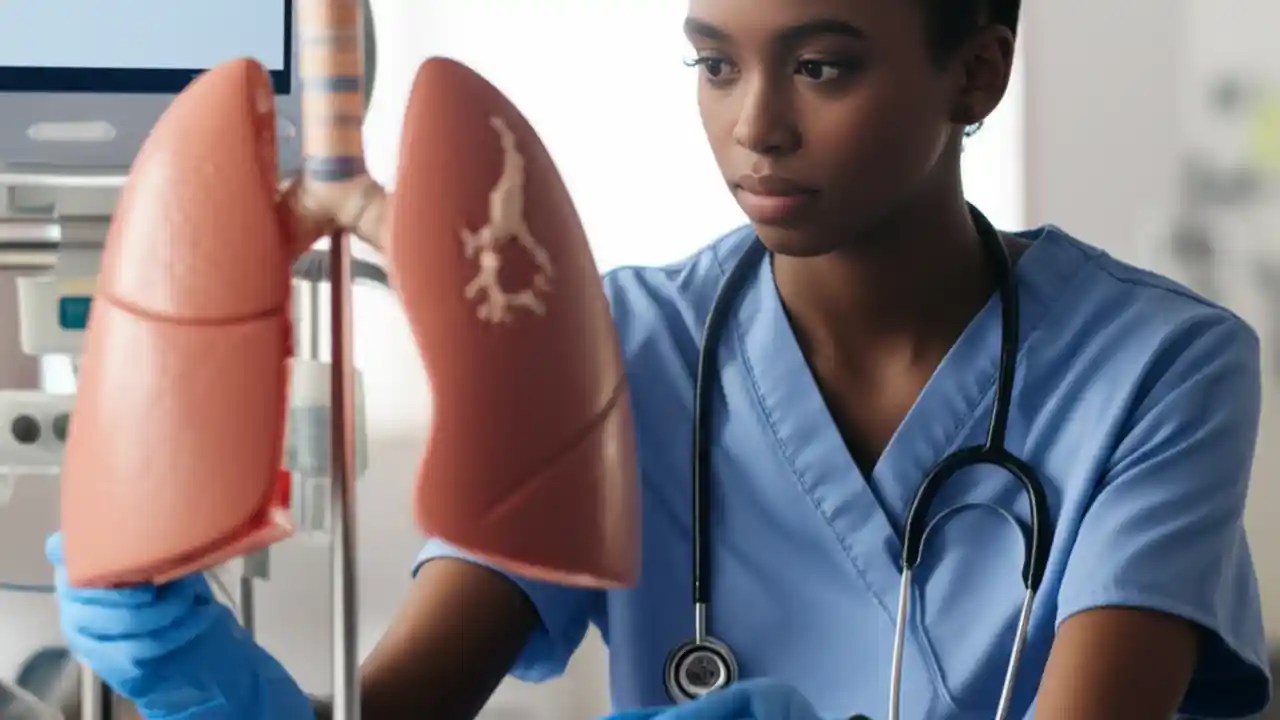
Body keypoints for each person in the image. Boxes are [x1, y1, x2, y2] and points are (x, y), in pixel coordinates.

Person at [48, 0, 1274, 718]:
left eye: (821, 64)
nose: (755, 127)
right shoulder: (614, 343)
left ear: (975, 71)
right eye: (714, 63)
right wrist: (184, 657)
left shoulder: (1158, 365)